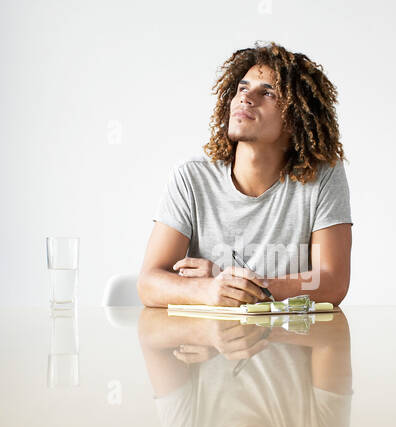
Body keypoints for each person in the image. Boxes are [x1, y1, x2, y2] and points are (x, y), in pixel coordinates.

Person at [138, 41, 352, 308]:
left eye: (268, 94)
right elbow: (149, 283)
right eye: (242, 88)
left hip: (288, 346)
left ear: (294, 118)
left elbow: (333, 282)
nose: (246, 98)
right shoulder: (191, 178)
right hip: (208, 346)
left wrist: (235, 284)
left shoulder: (322, 176)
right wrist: (208, 289)